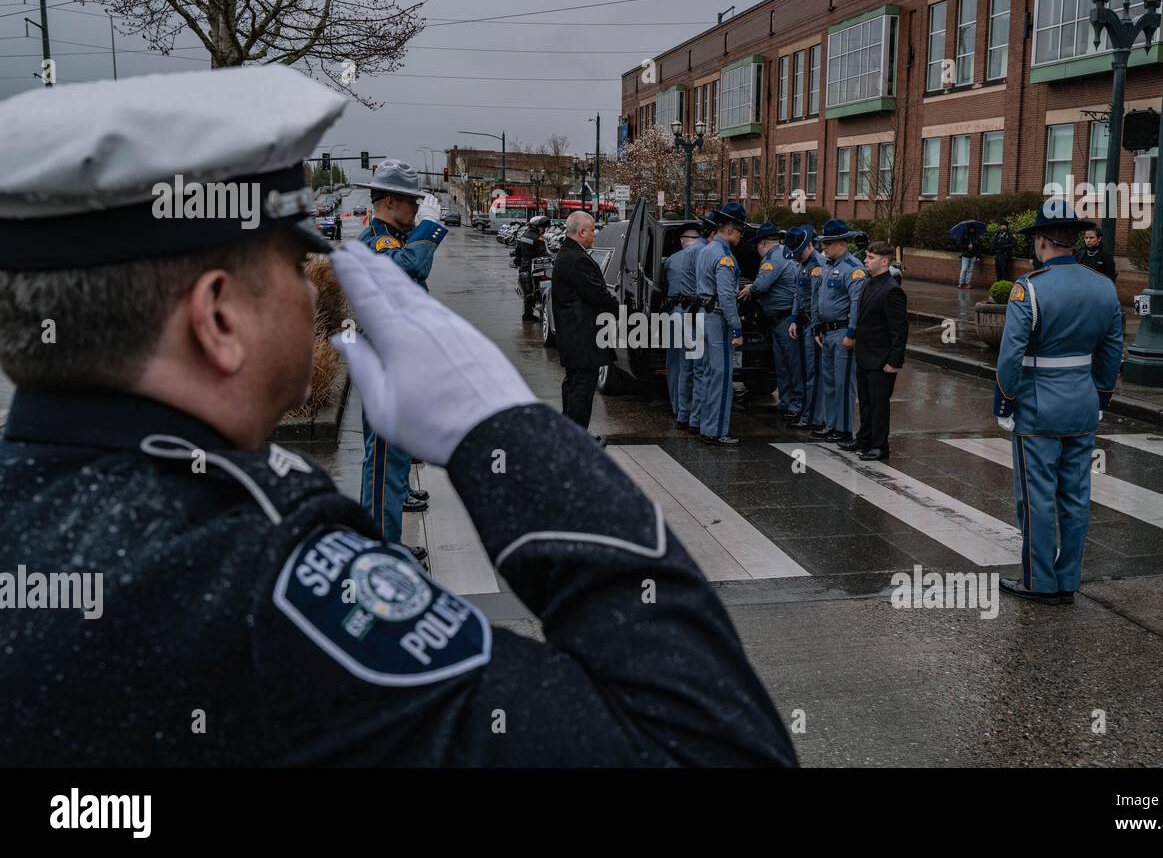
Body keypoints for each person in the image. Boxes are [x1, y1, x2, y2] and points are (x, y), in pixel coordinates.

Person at [0, 66, 796, 768]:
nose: (315, 289)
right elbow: (709, 744)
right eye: (292, 262)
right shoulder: (269, 590)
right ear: (218, 318)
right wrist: (509, 432)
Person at [993, 201, 1124, 605]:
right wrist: (1101, 395)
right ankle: (1068, 579)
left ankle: (1039, 581)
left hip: (1038, 406)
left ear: (1042, 241)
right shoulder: (1103, 285)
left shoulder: (1029, 287)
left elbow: (1010, 354)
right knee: (1075, 496)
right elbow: (1112, 349)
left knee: (1036, 498)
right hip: (1082, 404)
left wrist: (1005, 403)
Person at [356, 159, 449, 545]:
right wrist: (428, 228)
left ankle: (386, 545)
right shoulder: (376, 241)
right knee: (382, 468)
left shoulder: (390, 239)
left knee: (391, 469)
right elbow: (411, 268)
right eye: (412, 202)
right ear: (390, 201)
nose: (416, 209)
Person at [551, 210, 619, 430]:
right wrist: (624, 311)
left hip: (573, 336)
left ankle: (568, 432)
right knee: (581, 390)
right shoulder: (578, 259)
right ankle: (577, 439)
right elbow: (598, 295)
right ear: (581, 232)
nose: (595, 234)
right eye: (592, 230)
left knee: (572, 386)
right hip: (583, 338)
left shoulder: (567, 253)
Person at [844, 242, 908, 460]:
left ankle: (880, 446)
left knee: (879, 405)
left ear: (884, 261)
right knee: (866, 402)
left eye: (870, 257)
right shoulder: (868, 283)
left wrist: (894, 361)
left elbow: (900, 330)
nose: (865, 260)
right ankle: (864, 438)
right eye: (867, 256)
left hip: (881, 359)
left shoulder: (892, 290)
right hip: (864, 355)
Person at [694, 203, 747, 447]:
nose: (740, 237)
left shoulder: (705, 250)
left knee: (707, 374)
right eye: (740, 232)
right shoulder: (724, 257)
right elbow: (726, 297)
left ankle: (704, 424)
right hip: (717, 320)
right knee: (722, 376)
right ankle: (715, 431)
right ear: (731, 230)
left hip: (704, 317)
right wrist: (737, 328)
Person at [810, 219, 867, 444]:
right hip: (827, 331)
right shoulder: (827, 266)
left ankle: (843, 428)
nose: (824, 248)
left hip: (843, 332)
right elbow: (818, 298)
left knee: (844, 383)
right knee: (830, 381)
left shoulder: (854, 270)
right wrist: (817, 326)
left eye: (829, 243)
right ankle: (831, 423)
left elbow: (856, 305)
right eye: (824, 243)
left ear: (842, 243)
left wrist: (851, 334)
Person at [742, 221, 802, 421]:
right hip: (780, 320)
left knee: (791, 365)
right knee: (783, 365)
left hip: (785, 320)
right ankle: (787, 403)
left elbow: (761, 286)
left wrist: (748, 288)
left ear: (762, 243)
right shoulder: (785, 253)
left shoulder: (772, 258)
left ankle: (795, 405)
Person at [662, 220, 703, 424]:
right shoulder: (703, 257)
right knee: (695, 364)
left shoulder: (670, 260)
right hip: (694, 315)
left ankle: (678, 408)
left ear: (682, 241)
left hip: (673, 313)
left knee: (676, 364)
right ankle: (693, 411)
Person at [786, 225, 825, 430]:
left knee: (813, 373)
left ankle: (812, 417)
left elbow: (818, 299)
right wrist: (793, 318)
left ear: (809, 245)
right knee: (804, 370)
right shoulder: (802, 264)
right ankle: (808, 412)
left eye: (799, 252)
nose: (796, 256)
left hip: (812, 323)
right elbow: (797, 294)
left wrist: (816, 327)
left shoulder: (817, 265)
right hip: (802, 321)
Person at [684, 214, 719, 432]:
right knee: (703, 371)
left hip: (692, 313)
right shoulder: (706, 251)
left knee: (694, 371)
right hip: (703, 313)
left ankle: (692, 418)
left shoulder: (691, 250)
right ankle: (700, 420)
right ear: (713, 233)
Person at [512, 215, 550, 320]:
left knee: (528, 293)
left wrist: (517, 261)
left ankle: (528, 313)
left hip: (523, 267)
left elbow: (517, 251)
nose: (544, 229)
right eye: (542, 227)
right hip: (534, 268)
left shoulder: (523, 235)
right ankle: (528, 316)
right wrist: (553, 257)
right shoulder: (538, 238)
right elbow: (543, 253)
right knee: (532, 292)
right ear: (535, 227)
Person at [958, 223, 982, 290]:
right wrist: (967, 246)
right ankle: (961, 283)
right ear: (968, 229)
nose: (972, 230)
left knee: (970, 271)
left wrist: (978, 257)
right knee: (964, 269)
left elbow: (979, 248)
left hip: (973, 255)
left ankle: (967, 283)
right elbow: (960, 246)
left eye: (973, 228)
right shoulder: (964, 236)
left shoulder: (977, 237)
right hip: (966, 255)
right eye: (970, 228)